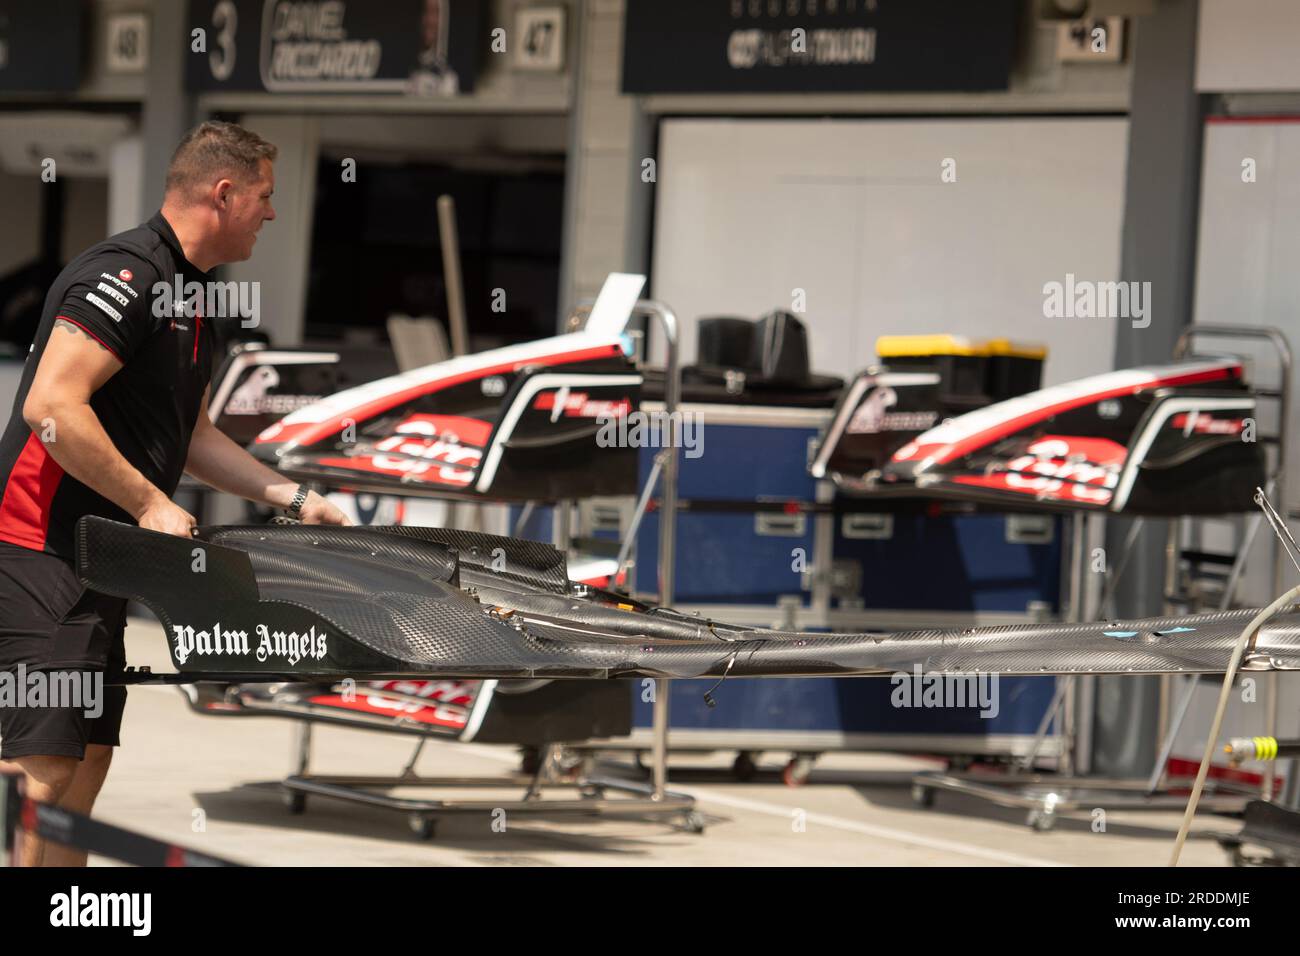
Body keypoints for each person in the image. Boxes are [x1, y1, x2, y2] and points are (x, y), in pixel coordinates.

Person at [0, 121, 350, 866]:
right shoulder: (126, 274)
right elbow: (53, 409)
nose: (272, 212)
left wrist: (291, 496)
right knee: (44, 765)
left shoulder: (193, 297)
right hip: (39, 553)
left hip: (102, 564)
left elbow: (191, 436)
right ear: (222, 194)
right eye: (264, 195)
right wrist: (150, 504)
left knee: (86, 764)